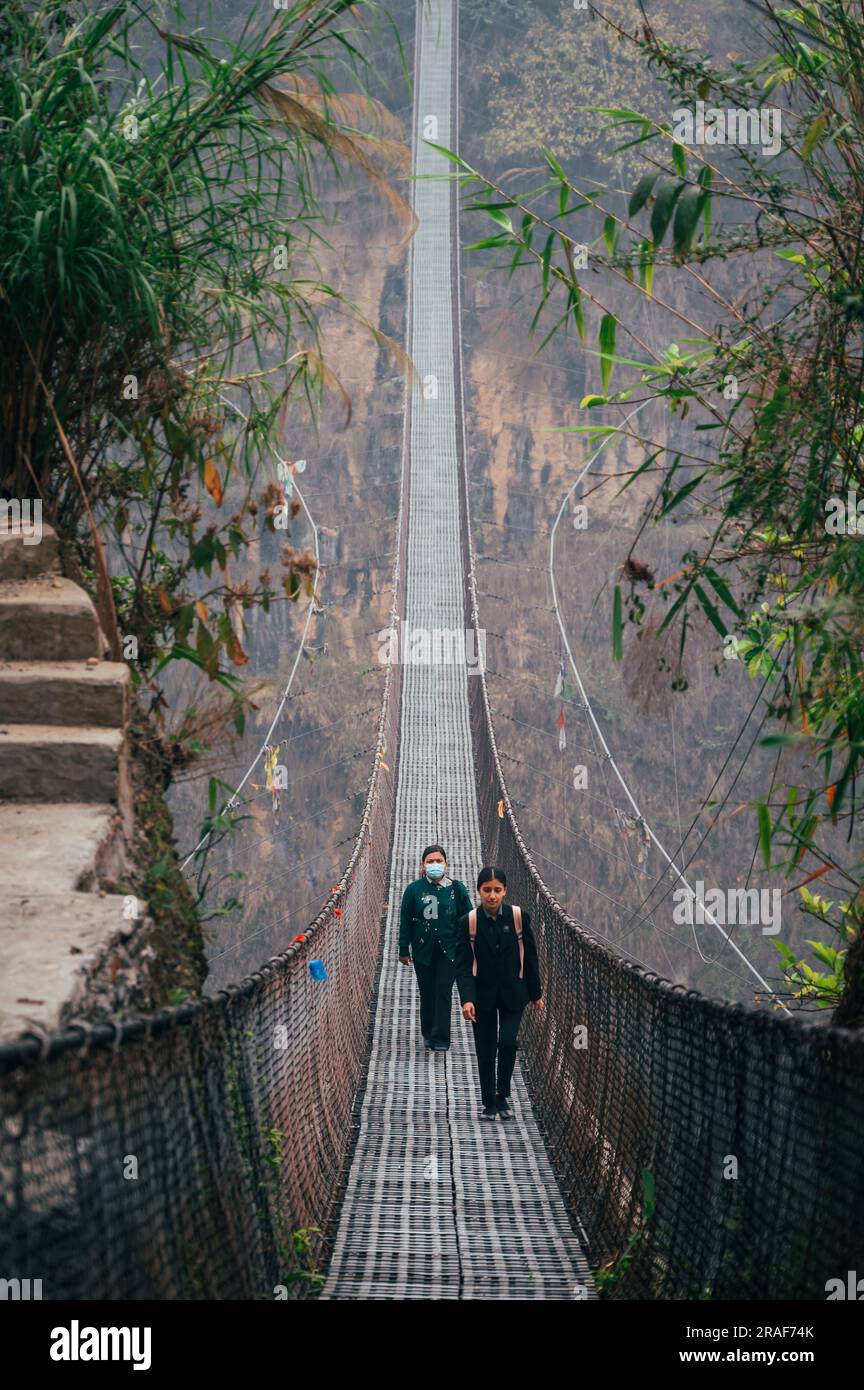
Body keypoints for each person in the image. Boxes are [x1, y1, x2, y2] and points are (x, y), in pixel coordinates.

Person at [455, 866, 544, 1120]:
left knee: (506, 1041)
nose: (492, 895)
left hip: (514, 993)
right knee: (485, 1048)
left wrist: (536, 993)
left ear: (505, 891)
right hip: (481, 996)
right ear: (479, 891)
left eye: (496, 890)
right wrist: (467, 999)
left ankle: (501, 1094)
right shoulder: (469, 922)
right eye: (487, 890)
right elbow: (463, 966)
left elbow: (531, 958)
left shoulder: (518, 918)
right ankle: (489, 1104)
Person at [398, 845, 473, 1051]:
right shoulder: (414, 890)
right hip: (423, 950)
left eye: (439, 860)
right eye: (430, 861)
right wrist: (403, 948)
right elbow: (405, 920)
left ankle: (441, 1038)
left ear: (446, 864)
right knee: (427, 992)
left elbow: (469, 918)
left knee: (443, 990)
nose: (435, 864)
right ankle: (428, 1031)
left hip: (450, 950)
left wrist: (472, 945)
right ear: (423, 865)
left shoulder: (457, 889)